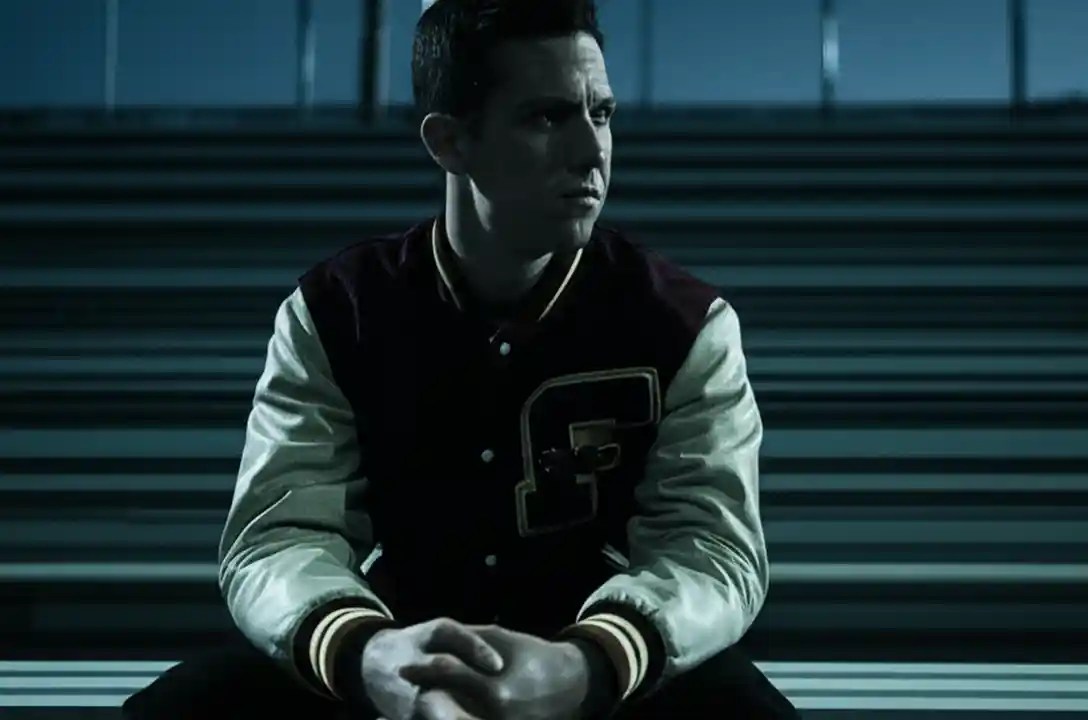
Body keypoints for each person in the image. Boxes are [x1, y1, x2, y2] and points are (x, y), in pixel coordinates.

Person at [123, 0, 798, 718]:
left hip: (597, 668)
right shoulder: (336, 310)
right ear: (449, 142)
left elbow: (712, 551)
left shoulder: (686, 324)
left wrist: (585, 665)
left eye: (601, 113)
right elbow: (278, 536)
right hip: (398, 643)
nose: (591, 149)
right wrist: (373, 656)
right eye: (546, 117)